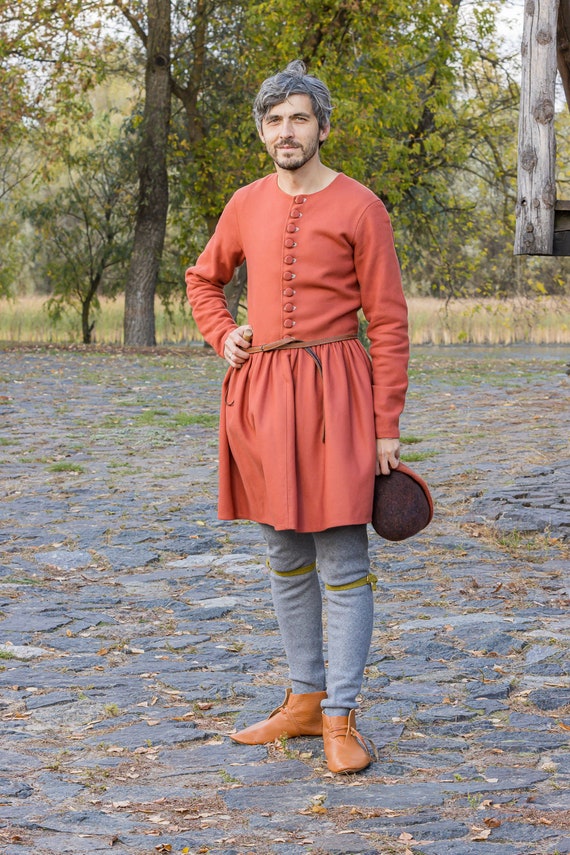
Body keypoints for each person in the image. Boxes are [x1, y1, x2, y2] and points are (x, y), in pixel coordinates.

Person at [185, 60, 409, 774]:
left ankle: (341, 714)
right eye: (275, 120)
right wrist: (224, 333)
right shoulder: (244, 203)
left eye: (300, 119)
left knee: (342, 555)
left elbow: (388, 321)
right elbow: (203, 279)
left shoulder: (362, 207)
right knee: (283, 553)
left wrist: (386, 425)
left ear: (322, 128)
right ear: (263, 131)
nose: (287, 131)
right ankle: (305, 700)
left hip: (337, 394)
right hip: (261, 399)